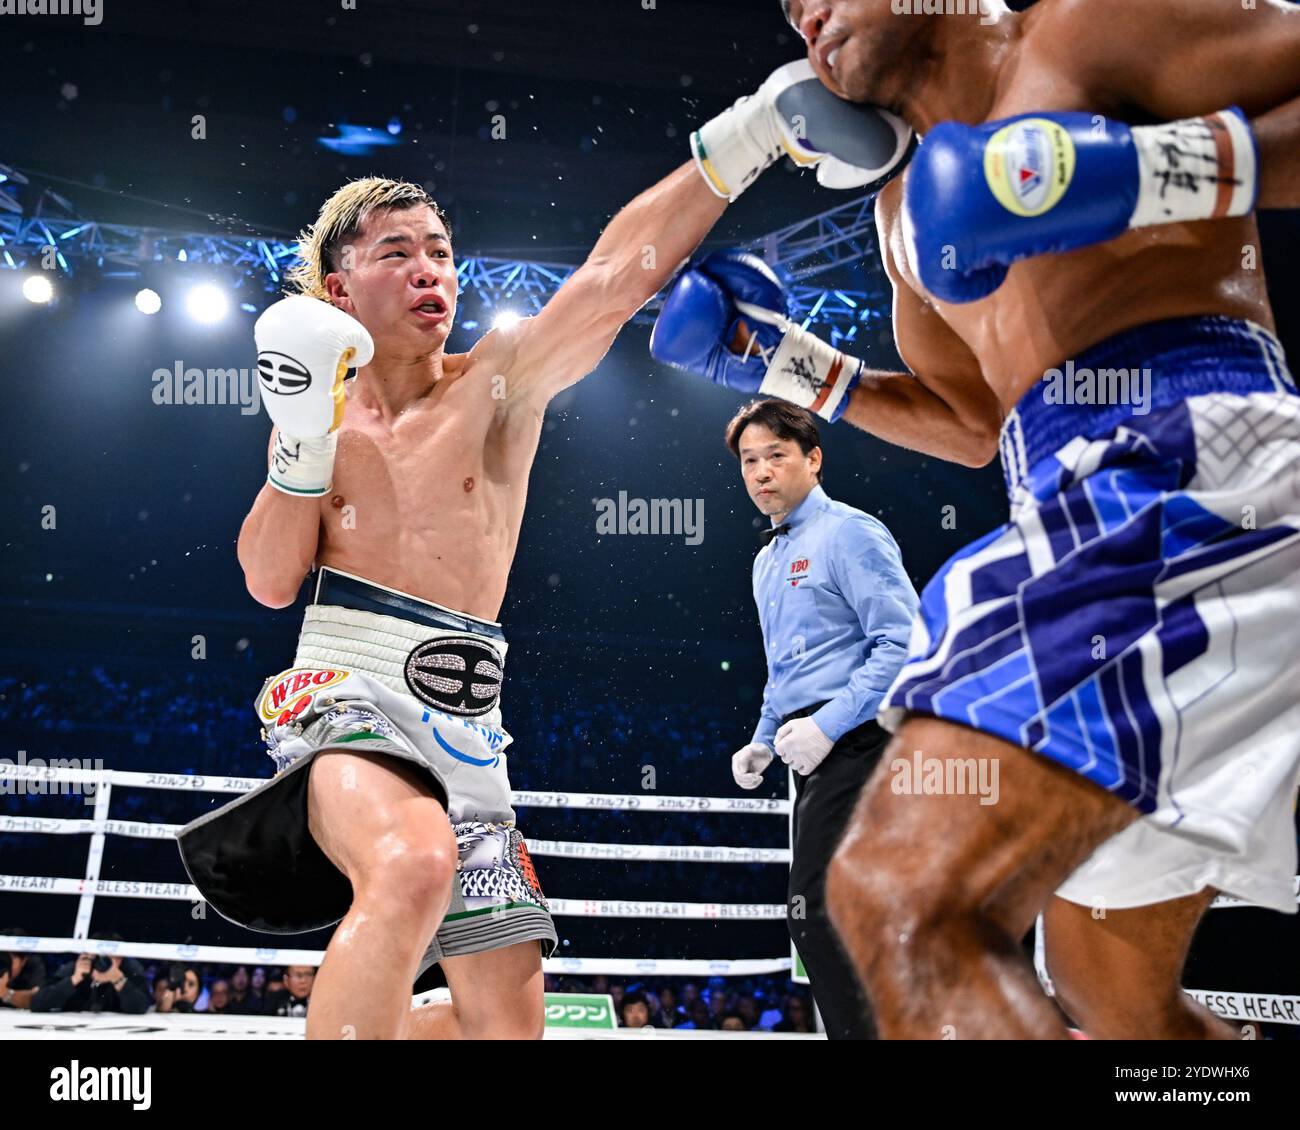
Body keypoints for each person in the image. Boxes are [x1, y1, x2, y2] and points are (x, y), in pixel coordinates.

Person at [175, 54, 913, 1041]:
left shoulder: (498, 383)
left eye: (439, 248)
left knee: (502, 1028)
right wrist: (302, 441)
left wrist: (752, 133)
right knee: (406, 864)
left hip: (473, 731)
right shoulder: (320, 418)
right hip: (342, 695)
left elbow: (614, 278)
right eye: (397, 250)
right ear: (336, 288)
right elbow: (270, 581)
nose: (430, 267)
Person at [661, 0, 1300, 1038]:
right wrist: (787, 363)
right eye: (787, 9)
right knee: (1110, 992)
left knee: (901, 898)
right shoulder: (902, 211)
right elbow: (969, 422)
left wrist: (1146, 172)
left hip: (1192, 472)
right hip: (1065, 509)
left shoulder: (1087, 32)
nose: (802, 14)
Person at [722, 397, 917, 1039]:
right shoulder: (764, 561)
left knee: (817, 910)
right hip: (810, 746)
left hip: (865, 738)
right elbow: (783, 673)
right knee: (841, 910)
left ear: (814, 459)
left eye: (776, 455)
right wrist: (759, 742)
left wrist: (828, 725)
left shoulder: (850, 532)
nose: (761, 471)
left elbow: (902, 642)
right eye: (750, 460)